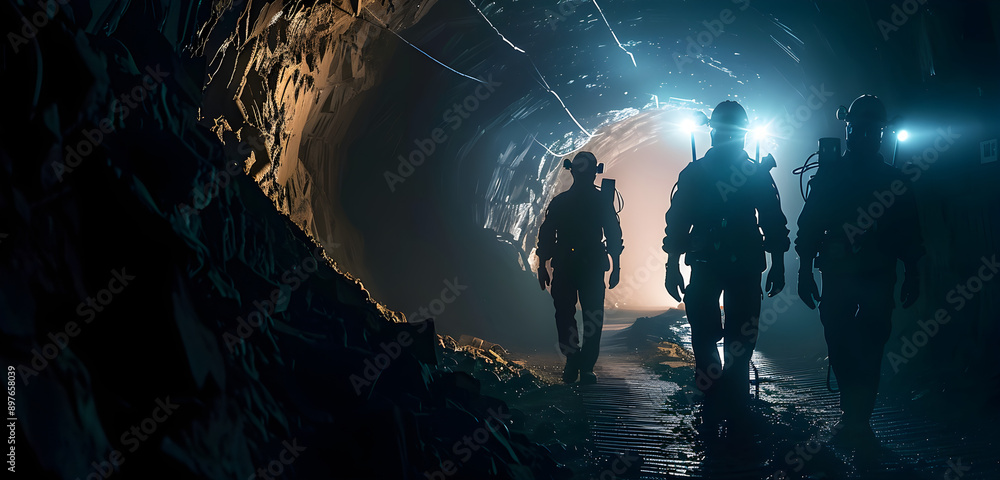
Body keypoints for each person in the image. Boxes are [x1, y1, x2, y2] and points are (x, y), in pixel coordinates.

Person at [795, 94, 924, 444]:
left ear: (881, 133)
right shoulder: (831, 176)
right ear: (849, 129)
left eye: (873, 130)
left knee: (870, 343)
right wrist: (803, 269)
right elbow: (809, 226)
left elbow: (909, 231)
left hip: (875, 275)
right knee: (838, 339)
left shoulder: (893, 180)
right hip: (840, 273)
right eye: (860, 128)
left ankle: (858, 419)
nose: (867, 135)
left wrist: (913, 271)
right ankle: (851, 412)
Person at [663, 101, 790, 405]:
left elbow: (772, 220)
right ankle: (725, 397)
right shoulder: (751, 174)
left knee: (728, 335)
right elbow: (772, 221)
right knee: (726, 333)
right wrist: (777, 264)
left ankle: (725, 395)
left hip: (718, 263)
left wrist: (673, 265)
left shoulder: (697, 173)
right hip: (735, 263)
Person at [536, 152, 623, 384]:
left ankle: (574, 359)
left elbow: (546, 236)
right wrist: (616, 267)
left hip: (566, 265)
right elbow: (614, 236)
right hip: (591, 266)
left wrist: (542, 265)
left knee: (564, 313)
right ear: (595, 172)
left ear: (572, 170)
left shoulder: (560, 202)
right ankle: (583, 366)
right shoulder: (601, 203)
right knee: (591, 316)